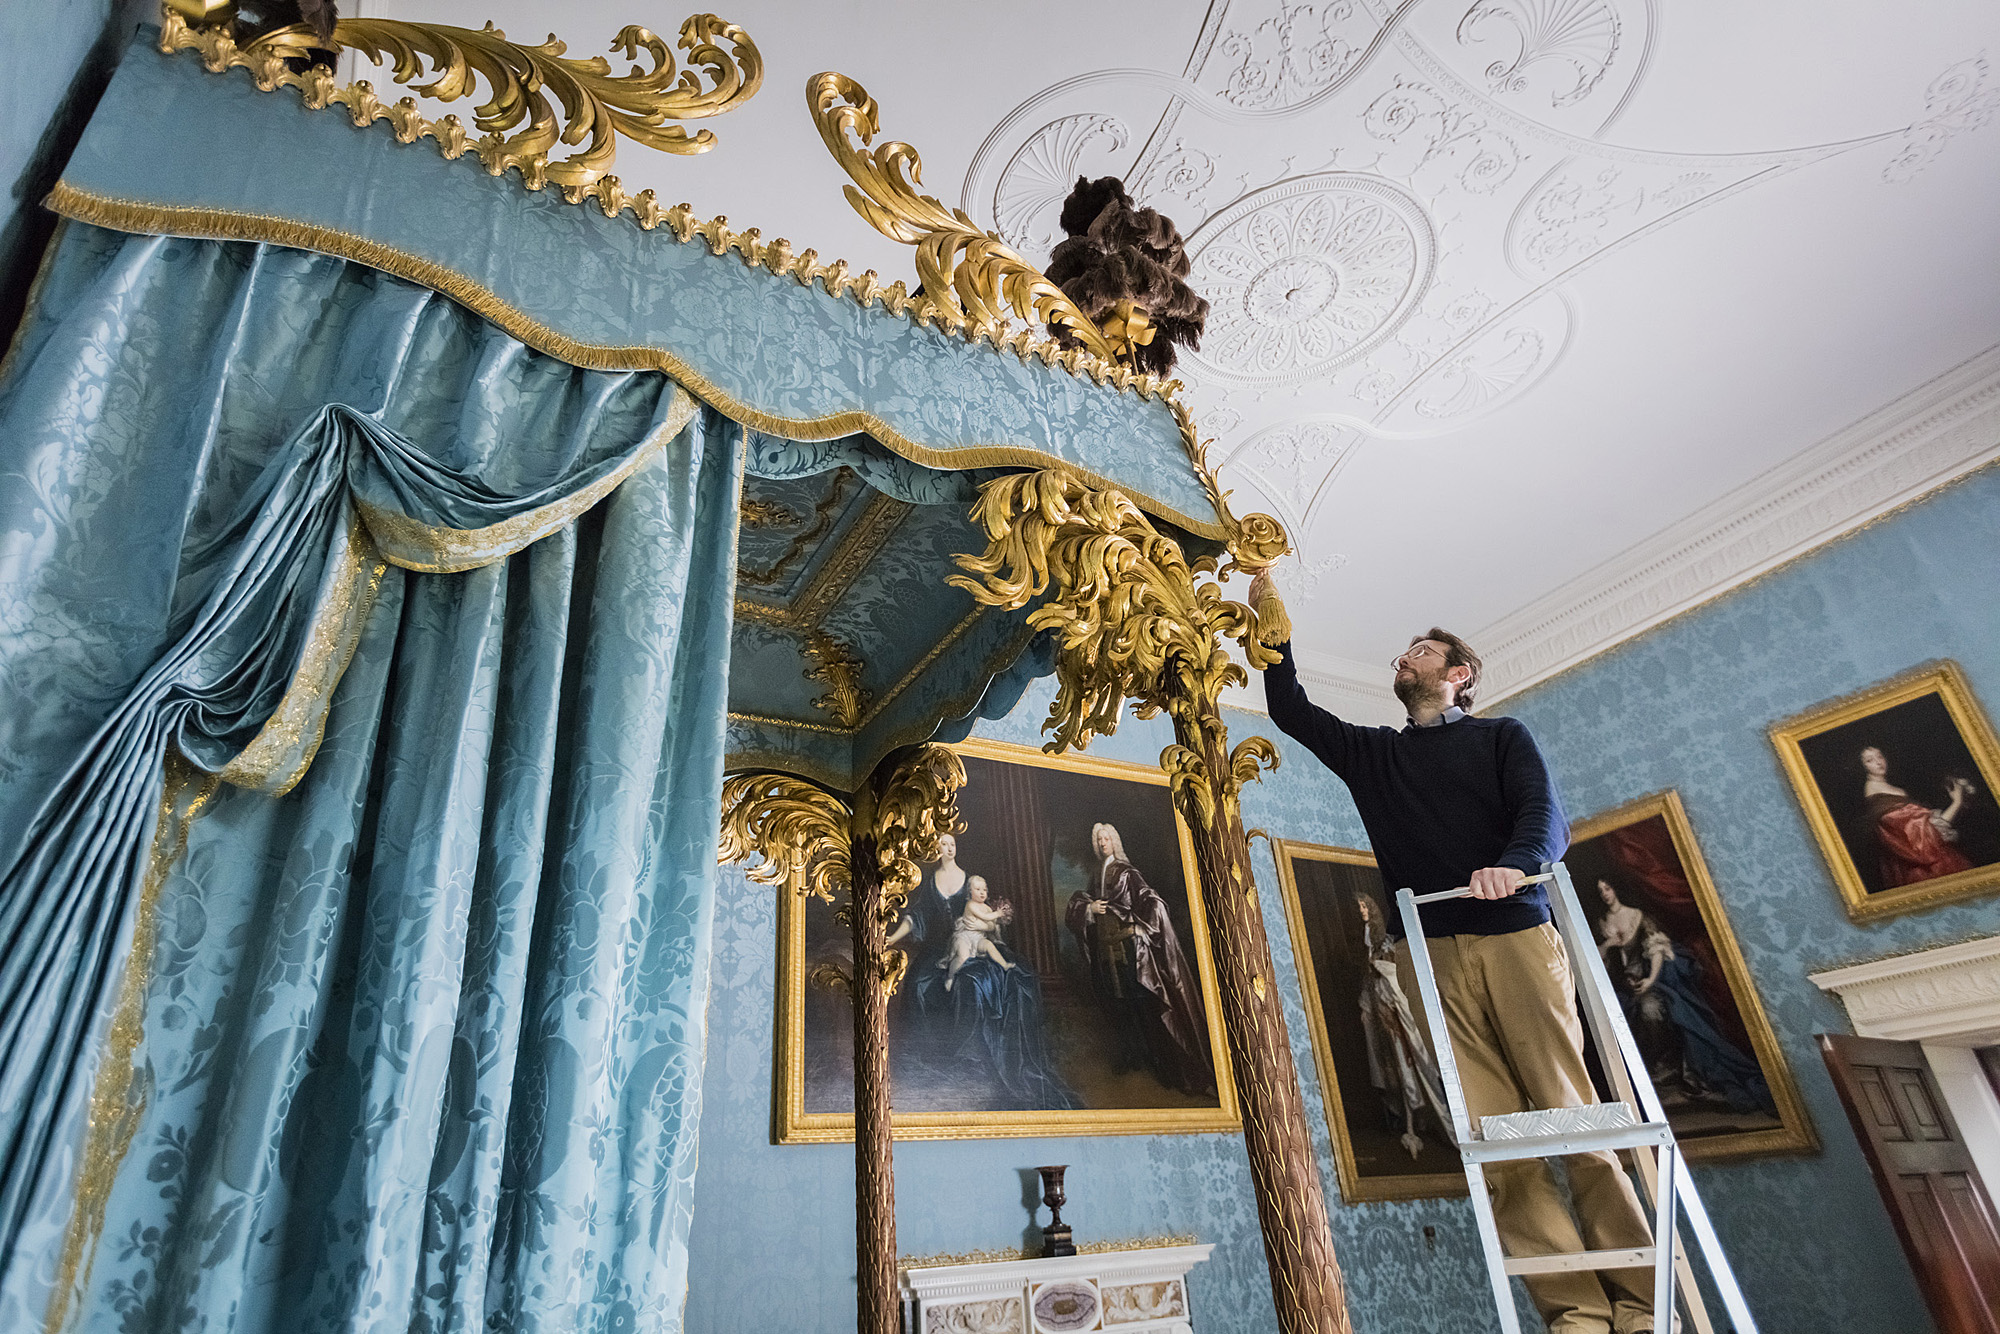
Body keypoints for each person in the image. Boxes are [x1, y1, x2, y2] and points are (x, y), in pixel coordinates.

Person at [1253, 571, 1655, 1334]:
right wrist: (1273, 628)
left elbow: (1545, 816)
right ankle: (1575, 1314)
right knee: (1498, 1141)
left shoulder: (1502, 737)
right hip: (1426, 954)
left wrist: (1515, 863)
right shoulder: (1376, 756)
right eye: (1405, 652)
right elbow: (1291, 710)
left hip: (1515, 938)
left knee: (1570, 1118)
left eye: (1423, 650)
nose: (1405, 658)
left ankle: (1638, 1305)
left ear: (1458, 674)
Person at [1593, 879, 1774, 1117]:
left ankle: (1662, 1070)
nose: (1605, 894)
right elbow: (1597, 961)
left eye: (1608, 888)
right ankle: (1637, 1079)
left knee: (1651, 1009)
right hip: (1620, 986)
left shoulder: (1638, 916)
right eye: (1600, 891)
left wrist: (1650, 980)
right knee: (1606, 1020)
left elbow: (1656, 950)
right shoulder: (1601, 923)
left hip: (1650, 983)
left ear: (1616, 888)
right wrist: (1609, 944)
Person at [1065, 822, 1216, 1097]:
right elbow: (1087, 902)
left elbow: (1151, 901)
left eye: (1106, 838)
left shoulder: (1127, 873)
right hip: (1105, 950)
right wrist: (1090, 907)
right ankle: (1131, 1056)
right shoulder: (1097, 874)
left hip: (1129, 949)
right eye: (1098, 839)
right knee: (1116, 1001)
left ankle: (1155, 1059)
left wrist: (1141, 926)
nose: (1102, 843)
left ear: (1115, 841)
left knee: (1139, 1000)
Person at [1354, 894, 1451, 1159]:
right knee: (1396, 1067)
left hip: (1400, 1010)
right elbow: (1371, 980)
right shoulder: (1369, 944)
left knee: (1417, 1062)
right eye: (1359, 907)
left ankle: (1429, 1121)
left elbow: (1393, 975)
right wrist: (1369, 1007)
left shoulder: (1385, 943)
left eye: (1365, 906)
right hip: (1384, 1010)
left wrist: (1391, 1004)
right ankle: (1408, 1124)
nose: (1362, 910)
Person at [1859, 745, 1976, 888]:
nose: (1878, 762)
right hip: (1923, 870)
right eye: (1869, 760)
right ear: (1862, 767)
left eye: (1880, 756)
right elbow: (1926, 837)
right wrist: (1957, 803)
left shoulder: (1892, 790)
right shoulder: (1878, 800)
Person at [942, 876, 1016, 991]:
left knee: (989, 945)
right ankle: (950, 977)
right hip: (964, 936)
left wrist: (982, 926)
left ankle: (1004, 965)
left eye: (984, 890)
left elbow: (992, 926)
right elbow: (985, 917)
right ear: (970, 891)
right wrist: (997, 913)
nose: (982, 893)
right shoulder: (970, 905)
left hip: (978, 937)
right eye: (978, 889)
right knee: (962, 956)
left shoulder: (987, 908)